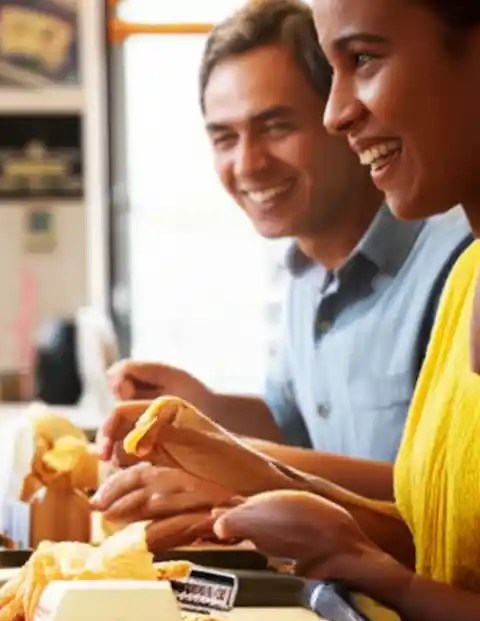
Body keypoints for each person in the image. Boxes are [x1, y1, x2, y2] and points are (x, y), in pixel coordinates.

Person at [101, 0, 480, 621]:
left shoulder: (447, 255)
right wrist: (214, 427)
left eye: (363, 60)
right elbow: (420, 517)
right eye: (223, 135)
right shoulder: (439, 278)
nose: (340, 111)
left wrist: (246, 470)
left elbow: (413, 521)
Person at [107, 0, 471, 466]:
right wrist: (203, 407)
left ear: (343, 119)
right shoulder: (305, 274)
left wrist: (245, 467)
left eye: (277, 127)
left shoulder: (456, 263)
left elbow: (437, 499)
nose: (248, 164)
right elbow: (295, 426)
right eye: (224, 138)